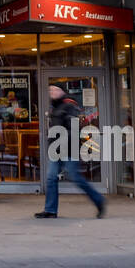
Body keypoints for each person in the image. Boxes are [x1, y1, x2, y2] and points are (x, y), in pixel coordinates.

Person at [35, 84, 105, 219]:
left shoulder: (70, 105)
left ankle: (98, 200)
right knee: (51, 178)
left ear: (62, 91)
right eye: (50, 90)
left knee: (75, 177)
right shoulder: (54, 107)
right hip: (56, 149)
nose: (52, 92)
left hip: (69, 148)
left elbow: (74, 127)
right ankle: (50, 210)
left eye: (55, 89)